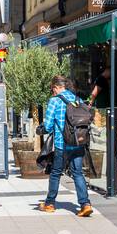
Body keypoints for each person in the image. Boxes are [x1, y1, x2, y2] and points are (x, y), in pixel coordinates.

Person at [38, 75, 93, 218]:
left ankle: (49, 203)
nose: (53, 92)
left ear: (56, 87)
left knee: (55, 173)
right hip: (78, 143)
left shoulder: (54, 101)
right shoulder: (77, 100)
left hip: (62, 144)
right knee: (78, 173)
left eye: (52, 89)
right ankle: (85, 204)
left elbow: (49, 126)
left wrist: (41, 129)